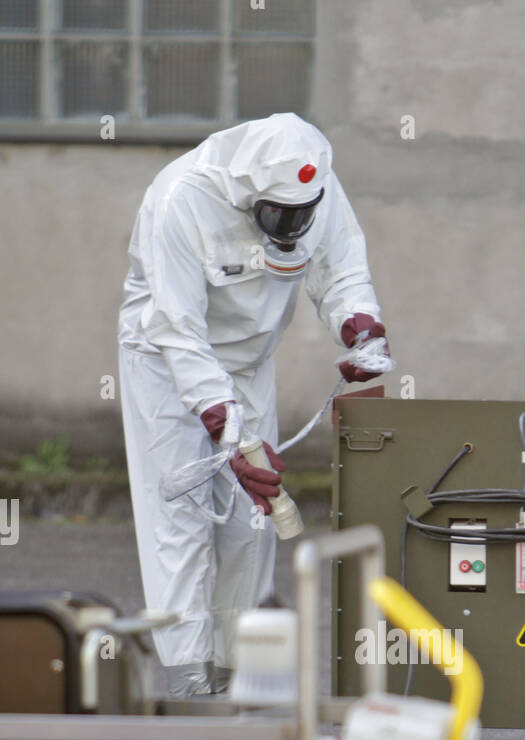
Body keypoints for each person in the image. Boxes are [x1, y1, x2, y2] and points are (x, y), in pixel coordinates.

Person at [118, 113, 387, 696]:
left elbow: (342, 270)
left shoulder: (316, 186)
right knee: (181, 522)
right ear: (248, 195)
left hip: (247, 364)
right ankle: (187, 693)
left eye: (300, 214)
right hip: (165, 365)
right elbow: (179, 331)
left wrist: (361, 332)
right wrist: (233, 436)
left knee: (252, 523)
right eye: (277, 215)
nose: (291, 225)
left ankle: (239, 685)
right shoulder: (179, 199)